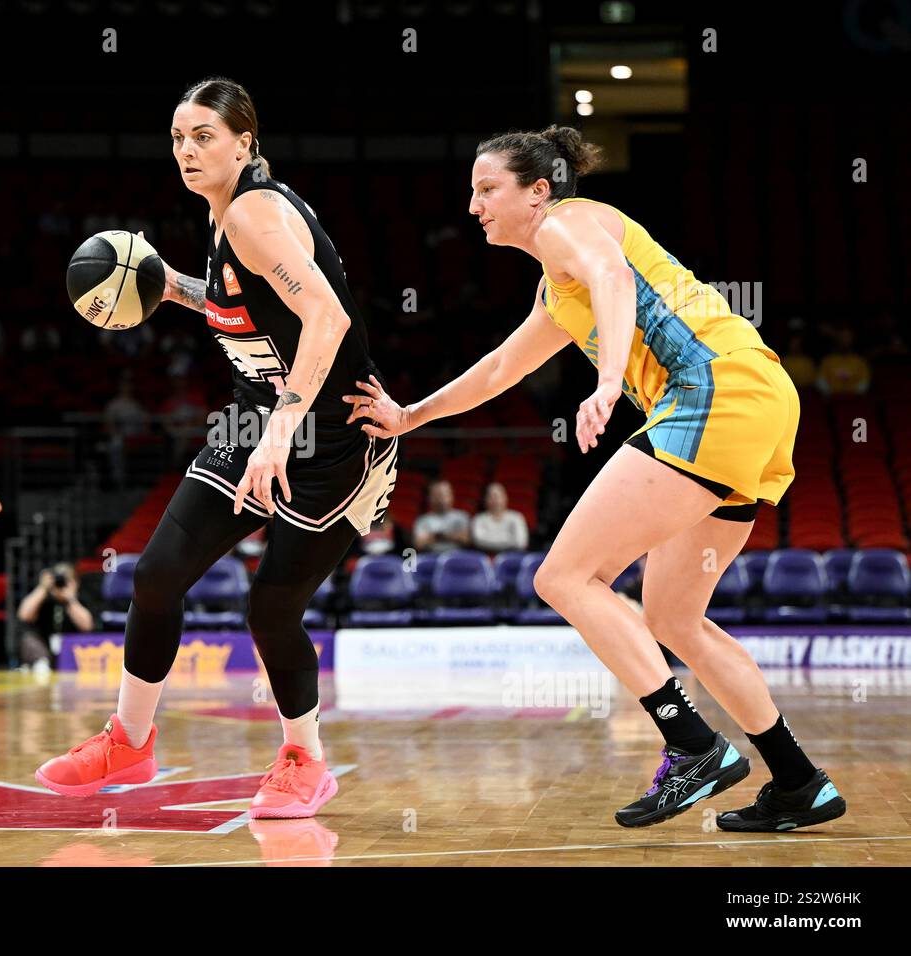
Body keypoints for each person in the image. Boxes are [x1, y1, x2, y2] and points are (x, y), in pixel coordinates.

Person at [346, 125, 845, 832]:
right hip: (756, 399)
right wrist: (410, 416)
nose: (474, 206)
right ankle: (799, 782)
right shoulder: (558, 288)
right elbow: (498, 369)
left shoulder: (570, 223)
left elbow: (613, 277)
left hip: (714, 391)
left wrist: (608, 381)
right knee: (674, 619)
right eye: (472, 192)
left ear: (538, 192)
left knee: (565, 577)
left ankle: (693, 747)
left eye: (488, 190)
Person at [35, 77, 396, 819]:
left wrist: (280, 434)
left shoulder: (256, 213)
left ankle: (305, 759)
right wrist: (176, 288)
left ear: (245, 141)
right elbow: (253, 308)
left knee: (271, 610)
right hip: (257, 418)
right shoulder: (231, 213)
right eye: (178, 138)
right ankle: (129, 743)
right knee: (158, 575)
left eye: (204, 136)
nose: (188, 150)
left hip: (334, 440)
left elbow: (326, 320)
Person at [16, 563, 93, 670]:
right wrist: (42, 588)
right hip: (45, 649)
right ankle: (40, 664)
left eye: (66, 581)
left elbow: (87, 626)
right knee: (28, 638)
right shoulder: (43, 599)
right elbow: (24, 616)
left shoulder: (81, 600)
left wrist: (70, 600)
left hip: (71, 650)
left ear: (76, 583)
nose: (61, 585)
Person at [412, 479, 471, 552]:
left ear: (451, 496)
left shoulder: (462, 516)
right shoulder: (422, 520)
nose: (441, 499)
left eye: (444, 494)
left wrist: (439, 536)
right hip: (431, 557)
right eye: (437, 495)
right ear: (429, 498)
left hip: (457, 556)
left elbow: (466, 539)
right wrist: (452, 536)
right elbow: (419, 544)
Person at [471, 481, 529, 553]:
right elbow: (478, 541)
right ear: (485, 500)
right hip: (485, 556)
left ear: (505, 498)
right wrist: (509, 539)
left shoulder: (516, 517)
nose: (495, 500)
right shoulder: (479, 519)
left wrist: (489, 539)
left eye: (498, 496)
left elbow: (521, 542)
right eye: (491, 497)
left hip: (512, 556)